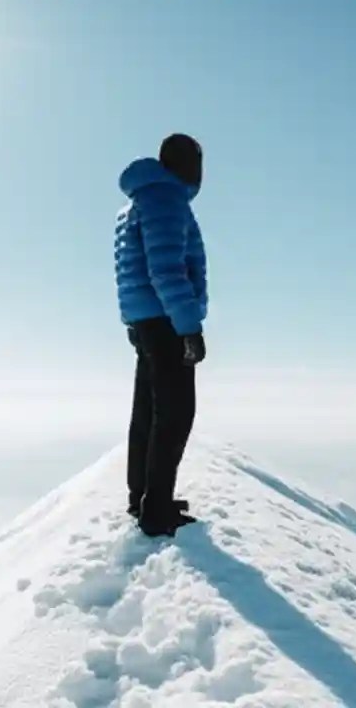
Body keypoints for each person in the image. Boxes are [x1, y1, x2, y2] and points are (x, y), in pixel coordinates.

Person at [115, 133, 209, 537]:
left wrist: (134, 323)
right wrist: (189, 327)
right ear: (185, 164)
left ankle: (144, 497)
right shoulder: (166, 200)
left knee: (148, 410)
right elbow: (166, 270)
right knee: (175, 412)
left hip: (146, 321)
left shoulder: (138, 203)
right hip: (166, 320)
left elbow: (132, 271)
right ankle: (156, 510)